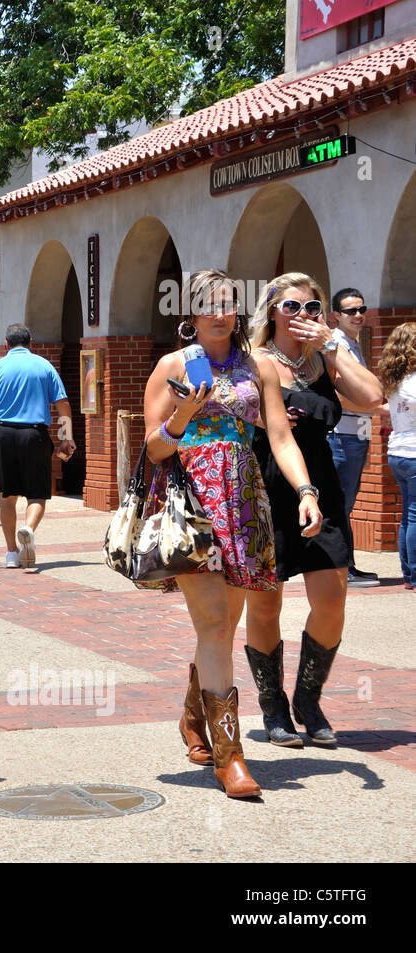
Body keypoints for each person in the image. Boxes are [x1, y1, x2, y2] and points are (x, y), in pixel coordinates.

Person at [142, 269, 322, 798]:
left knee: (223, 625)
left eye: (228, 304)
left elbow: (282, 437)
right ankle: (231, 756)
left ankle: (193, 718)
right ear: (191, 313)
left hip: (244, 501)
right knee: (217, 625)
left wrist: (306, 490)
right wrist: (183, 417)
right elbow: (153, 449)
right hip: (193, 503)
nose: (220, 313)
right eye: (209, 304)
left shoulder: (258, 365)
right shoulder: (172, 366)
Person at [245, 272, 383, 751]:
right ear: (272, 313)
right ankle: (272, 706)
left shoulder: (326, 359)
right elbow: (274, 434)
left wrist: (333, 346)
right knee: (266, 601)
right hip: (265, 484)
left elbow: (372, 398)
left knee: (333, 594)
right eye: (292, 307)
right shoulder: (256, 360)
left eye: (313, 308)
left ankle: (307, 698)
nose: (303, 316)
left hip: (319, 483)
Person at [0, 324, 75, 569]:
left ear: (6, 345)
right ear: (31, 342)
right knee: (37, 493)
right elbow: (63, 404)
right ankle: (28, 528)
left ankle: (10, 553)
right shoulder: (44, 366)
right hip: (34, 434)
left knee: (7, 495)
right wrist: (67, 437)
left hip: (3, 434)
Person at [326, 288, 381, 587]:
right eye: (351, 311)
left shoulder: (352, 344)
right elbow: (339, 396)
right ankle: (341, 569)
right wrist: (378, 409)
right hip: (342, 436)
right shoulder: (336, 344)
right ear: (336, 316)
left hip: (356, 434)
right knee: (339, 505)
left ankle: (348, 566)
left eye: (362, 309)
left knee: (345, 504)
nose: (358, 315)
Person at [378, 322, 416, 590]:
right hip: (414, 453)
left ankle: (408, 573)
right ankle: (414, 574)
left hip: (397, 452)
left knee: (408, 514)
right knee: (414, 515)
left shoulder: (395, 380)